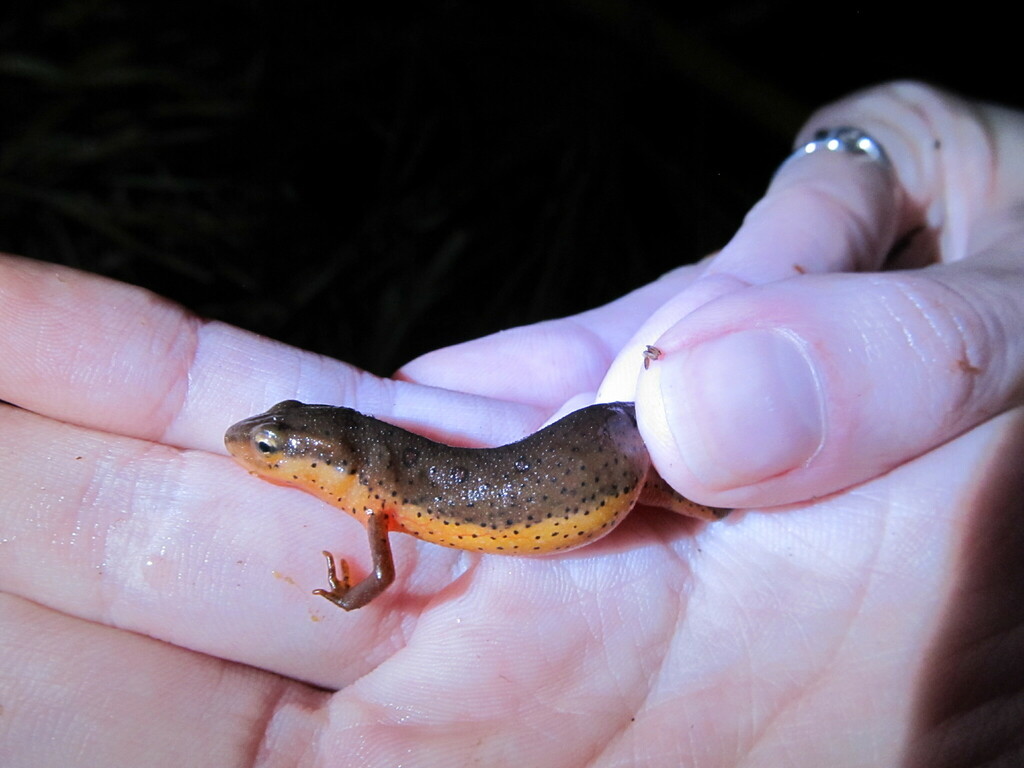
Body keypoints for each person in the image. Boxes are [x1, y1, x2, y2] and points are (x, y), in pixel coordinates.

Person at [1, 81, 1021, 767]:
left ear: (338, 467)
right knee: (671, 470)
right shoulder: (385, 489)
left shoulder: (382, 511)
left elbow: (377, 589)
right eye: (270, 445)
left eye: (275, 450)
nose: (260, 455)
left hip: (588, 473)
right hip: (599, 462)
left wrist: (352, 593)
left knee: (683, 455)